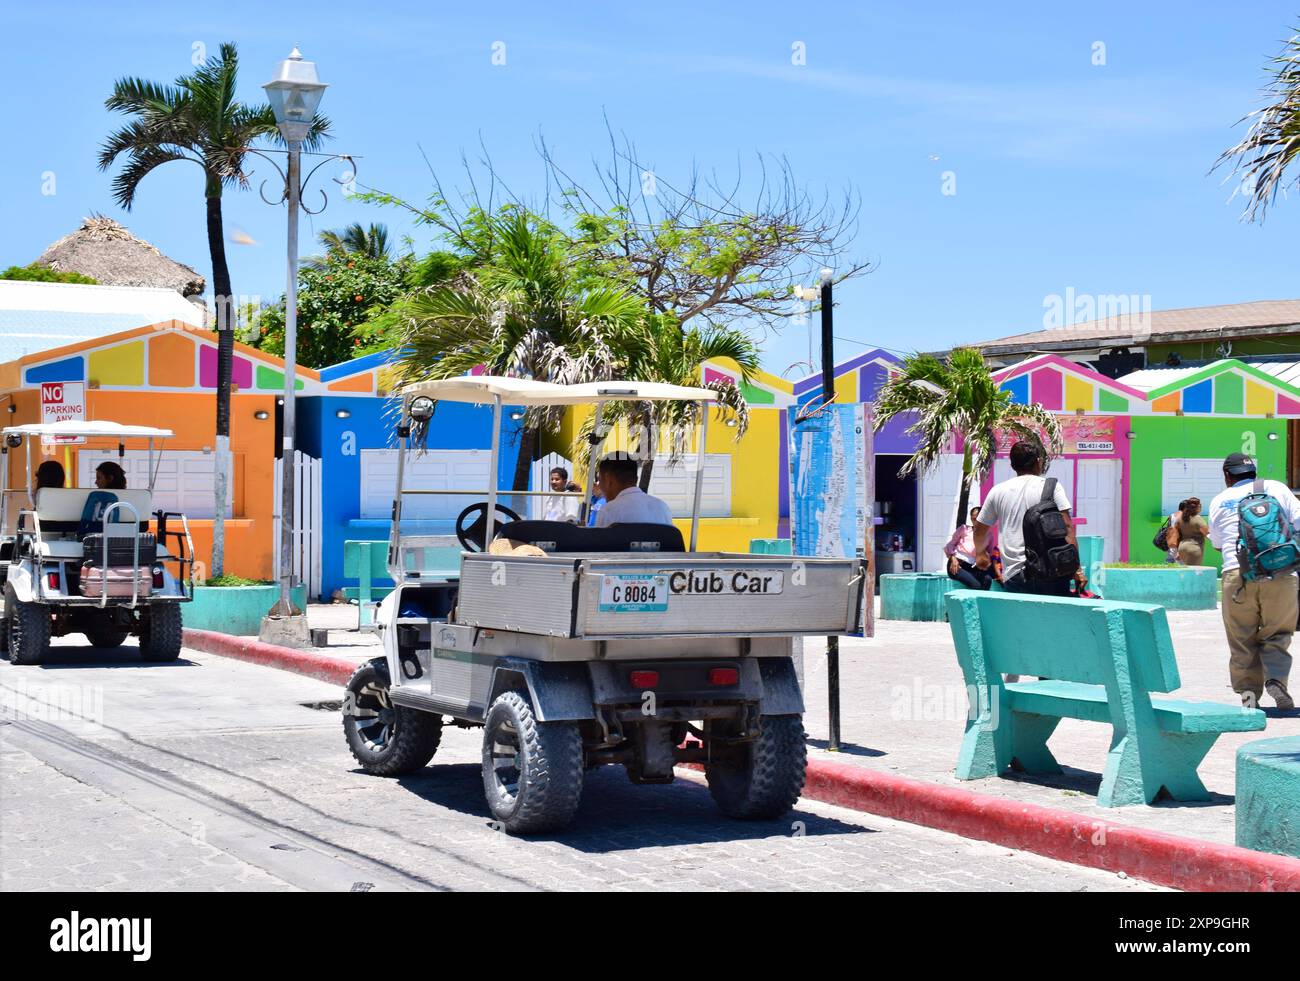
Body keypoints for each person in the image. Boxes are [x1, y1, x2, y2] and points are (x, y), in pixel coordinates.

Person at [1207, 452, 1297, 711]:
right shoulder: (1277, 489)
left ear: (1227, 475)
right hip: (1281, 571)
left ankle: (1248, 694)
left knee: (1241, 637)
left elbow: (1217, 544)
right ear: (1253, 473)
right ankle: (1276, 680)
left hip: (1237, 574)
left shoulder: (1219, 501)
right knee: (1278, 633)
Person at [973, 440, 1085, 597]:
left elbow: (979, 529)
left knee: (1020, 621)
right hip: (1052, 571)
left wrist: (980, 554)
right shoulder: (1052, 487)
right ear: (1038, 462)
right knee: (1054, 620)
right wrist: (1076, 569)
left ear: (1012, 465)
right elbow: (1067, 528)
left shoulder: (997, 491)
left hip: (1015, 575)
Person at [593, 452, 674, 527]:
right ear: (636, 478)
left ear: (608, 479)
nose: (599, 485)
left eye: (599, 480)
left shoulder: (607, 512)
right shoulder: (662, 509)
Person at [944, 506, 995, 590]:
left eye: (977, 518)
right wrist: (953, 558)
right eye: (973, 518)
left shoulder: (988, 535)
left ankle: (983, 602)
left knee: (987, 580)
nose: (975, 521)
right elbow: (950, 545)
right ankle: (975, 603)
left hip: (972, 567)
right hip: (957, 563)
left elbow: (989, 553)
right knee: (976, 586)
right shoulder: (964, 529)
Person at [1167, 497, 1209, 566]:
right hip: (1194, 548)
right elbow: (1207, 533)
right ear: (1198, 507)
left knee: (1184, 572)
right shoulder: (1198, 518)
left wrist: (1176, 552)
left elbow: (1175, 534)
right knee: (1193, 573)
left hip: (1181, 548)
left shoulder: (1180, 519)